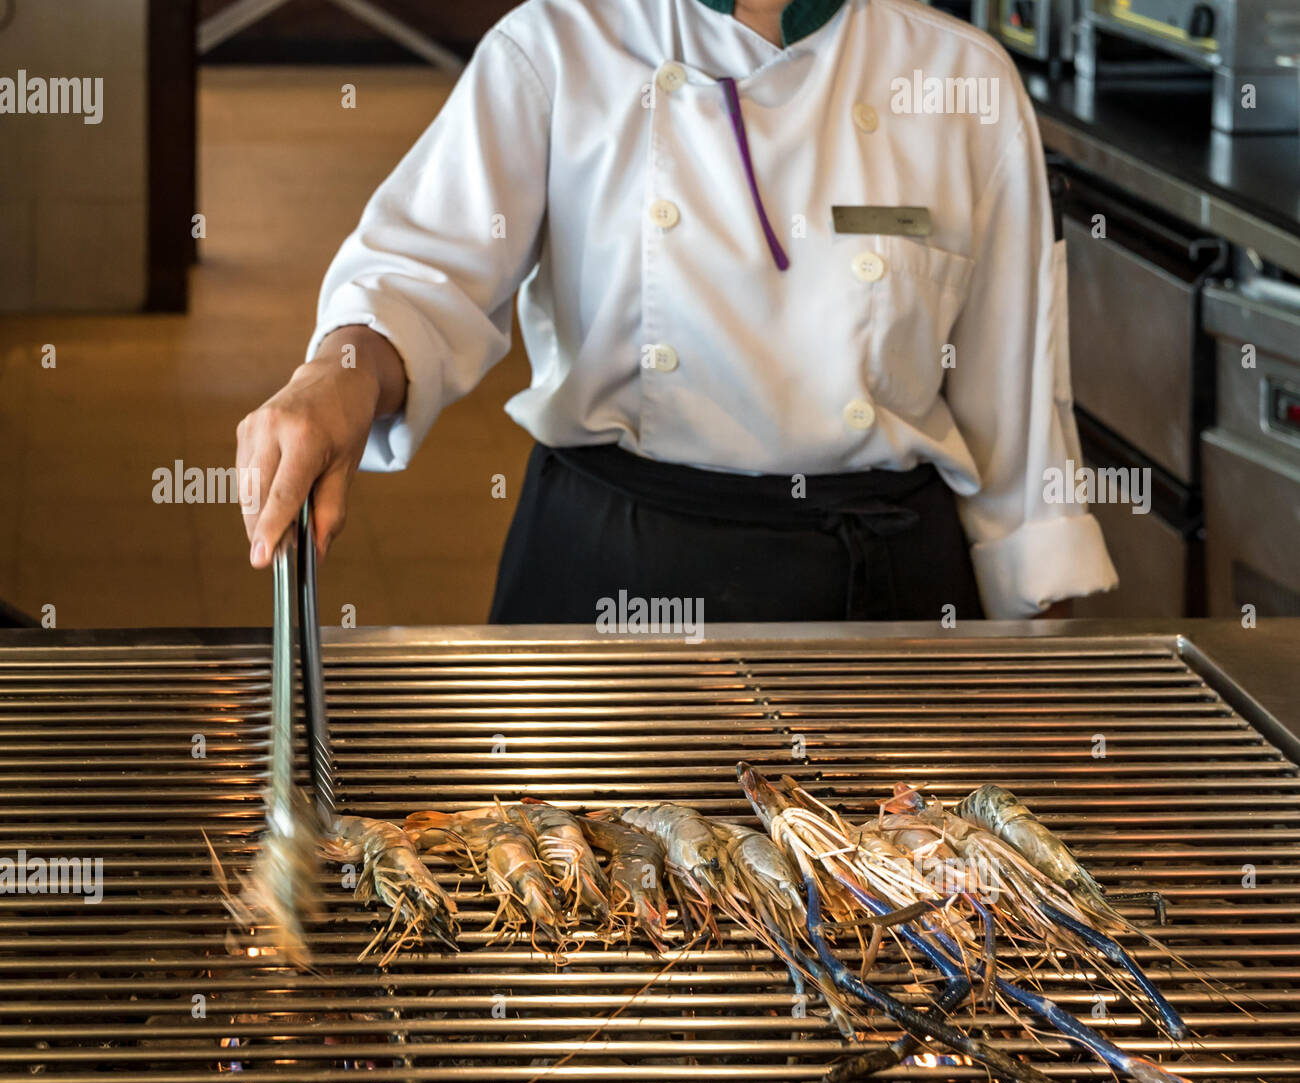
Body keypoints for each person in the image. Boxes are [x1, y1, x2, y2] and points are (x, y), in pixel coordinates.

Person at [237, 0, 1117, 623]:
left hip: (874, 599)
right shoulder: (556, 45)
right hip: (613, 576)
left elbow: (1018, 416)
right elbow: (419, 275)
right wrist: (334, 375)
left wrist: (1043, 677)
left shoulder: (959, 78)